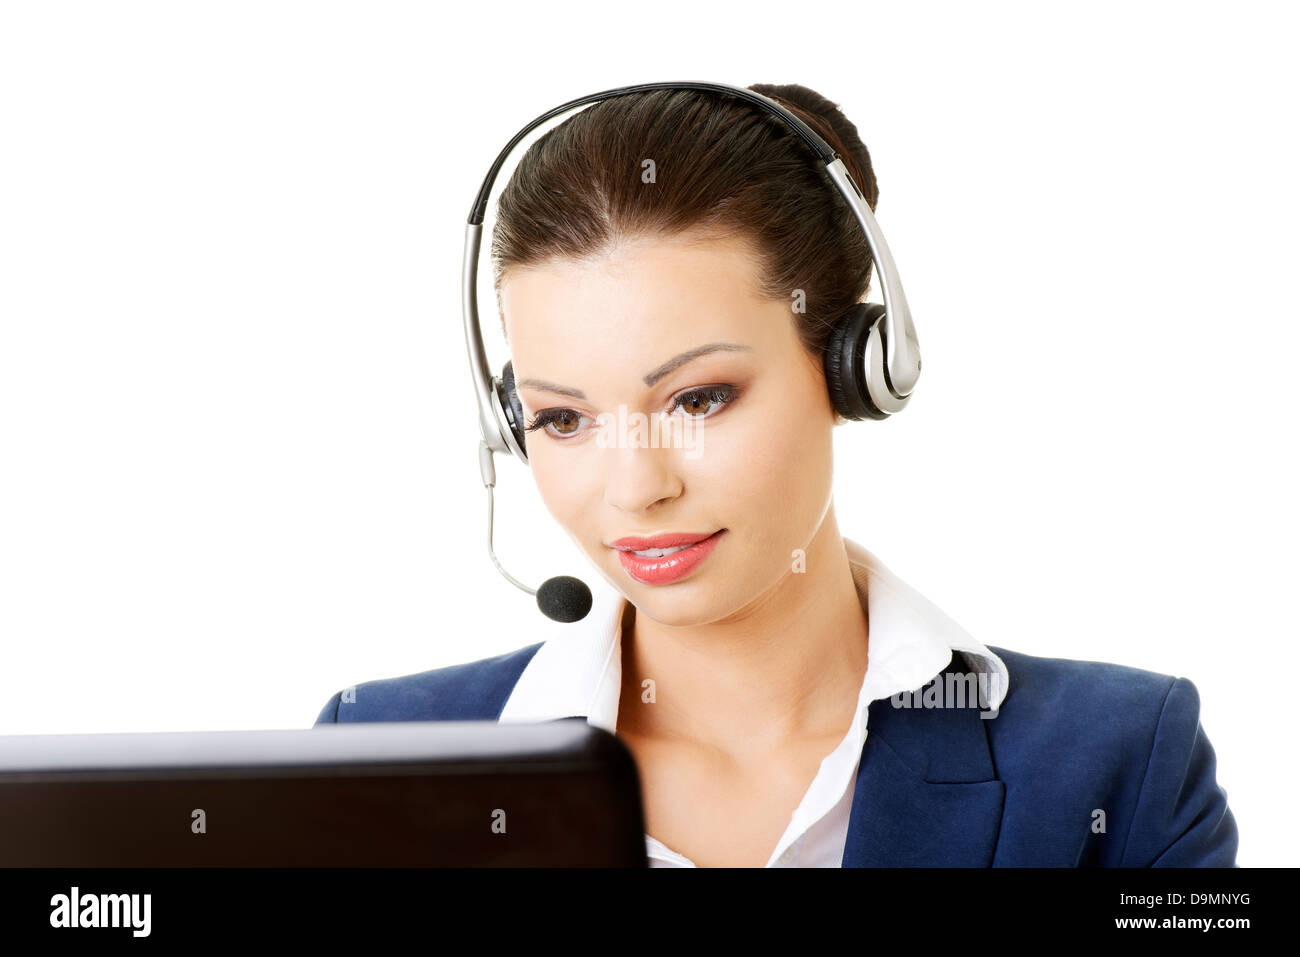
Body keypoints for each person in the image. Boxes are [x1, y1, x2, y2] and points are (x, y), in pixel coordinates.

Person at [314, 83, 1238, 868]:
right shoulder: (381, 759)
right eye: (564, 418)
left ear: (855, 372)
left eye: (700, 398)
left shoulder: (1117, 763)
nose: (636, 488)